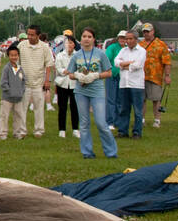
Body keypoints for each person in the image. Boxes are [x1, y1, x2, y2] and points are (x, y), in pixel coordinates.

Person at [68, 28, 118, 159]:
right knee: (84, 123)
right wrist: (78, 76)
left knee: (101, 122)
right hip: (81, 91)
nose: (86, 39)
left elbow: (109, 72)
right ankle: (87, 152)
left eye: (89, 36)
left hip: (97, 91)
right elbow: (70, 74)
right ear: (81, 39)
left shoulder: (101, 54)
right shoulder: (76, 55)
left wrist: (96, 75)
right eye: (84, 36)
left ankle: (111, 152)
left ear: (93, 39)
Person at [16, 25, 55, 137]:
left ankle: (39, 130)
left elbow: (48, 65)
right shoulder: (22, 46)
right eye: (28, 34)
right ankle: (22, 130)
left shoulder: (44, 47)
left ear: (38, 35)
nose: (30, 37)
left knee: (39, 108)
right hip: (24, 83)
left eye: (32, 35)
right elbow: (16, 63)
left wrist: (47, 81)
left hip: (39, 82)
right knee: (22, 108)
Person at [138, 24, 172, 128]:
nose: (146, 33)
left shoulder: (161, 44)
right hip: (140, 76)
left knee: (156, 99)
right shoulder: (139, 44)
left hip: (155, 77)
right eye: (144, 31)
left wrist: (167, 75)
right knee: (142, 99)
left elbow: (167, 62)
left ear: (153, 31)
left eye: (148, 31)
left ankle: (157, 120)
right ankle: (141, 120)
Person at [114, 30, 147, 138]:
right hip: (124, 84)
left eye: (130, 38)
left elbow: (137, 65)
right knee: (124, 109)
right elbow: (116, 62)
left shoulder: (142, 51)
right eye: (126, 39)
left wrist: (124, 65)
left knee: (137, 110)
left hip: (136, 85)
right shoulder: (123, 51)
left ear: (136, 39)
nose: (128, 41)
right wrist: (127, 64)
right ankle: (123, 131)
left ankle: (137, 132)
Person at [53, 33, 80, 138]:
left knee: (75, 107)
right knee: (62, 107)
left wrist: (73, 73)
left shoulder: (78, 55)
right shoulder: (60, 55)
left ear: (74, 44)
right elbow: (58, 68)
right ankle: (62, 129)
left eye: (71, 43)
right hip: (62, 83)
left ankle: (75, 129)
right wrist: (66, 71)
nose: (69, 45)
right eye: (67, 43)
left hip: (74, 84)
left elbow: (79, 68)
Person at [0, 44, 25, 140]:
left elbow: (23, 82)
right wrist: (9, 91)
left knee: (18, 116)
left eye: (16, 55)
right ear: (8, 56)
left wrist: (21, 92)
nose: (14, 57)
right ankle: (2, 133)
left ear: (18, 56)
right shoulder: (6, 68)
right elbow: (3, 83)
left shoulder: (20, 69)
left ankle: (17, 133)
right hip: (7, 98)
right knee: (4, 116)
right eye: (12, 55)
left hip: (18, 98)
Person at [104, 30, 125, 133]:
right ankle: (109, 121)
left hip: (123, 77)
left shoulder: (127, 49)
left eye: (124, 38)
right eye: (121, 37)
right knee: (111, 99)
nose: (122, 40)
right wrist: (110, 71)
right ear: (118, 38)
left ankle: (118, 121)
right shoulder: (112, 47)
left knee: (120, 100)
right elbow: (106, 59)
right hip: (112, 75)